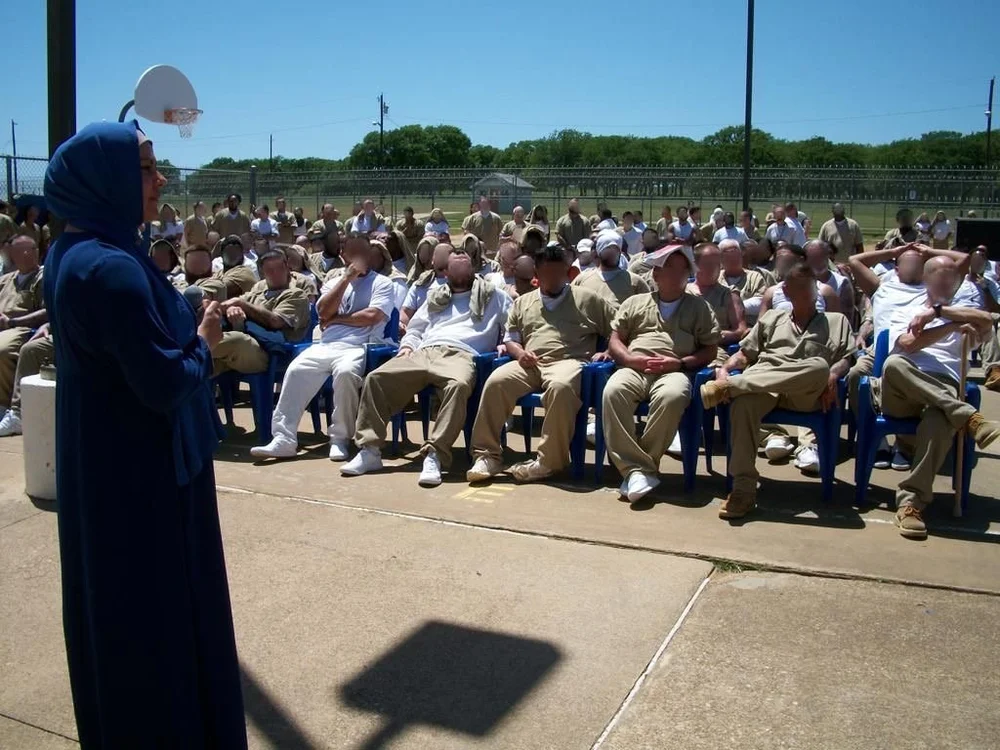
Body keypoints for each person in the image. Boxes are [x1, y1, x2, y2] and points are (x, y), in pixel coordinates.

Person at [43, 121, 246, 747]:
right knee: (158, 619)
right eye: (147, 168)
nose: (160, 180)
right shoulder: (112, 268)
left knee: (111, 612)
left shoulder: (72, 253)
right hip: (146, 473)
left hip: (98, 460)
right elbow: (163, 382)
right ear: (106, 180)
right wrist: (205, 344)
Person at [701, 262, 854, 519]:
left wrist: (834, 373)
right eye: (801, 290)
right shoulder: (772, 318)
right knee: (743, 405)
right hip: (766, 389)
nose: (808, 295)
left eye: (811, 289)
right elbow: (744, 353)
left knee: (819, 366)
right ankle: (743, 490)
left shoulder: (836, 321)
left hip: (806, 393)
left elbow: (848, 358)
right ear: (787, 291)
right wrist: (724, 369)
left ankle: (732, 388)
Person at [344, 253, 512, 485]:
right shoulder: (436, 296)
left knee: (458, 386)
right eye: (455, 267)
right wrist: (407, 347)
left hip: (461, 354)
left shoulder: (494, 296)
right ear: (446, 274)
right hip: (424, 351)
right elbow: (415, 328)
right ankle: (370, 450)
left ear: (473, 271)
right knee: (376, 378)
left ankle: (435, 455)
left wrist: (507, 342)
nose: (462, 275)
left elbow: (513, 324)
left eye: (466, 268)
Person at [467, 243, 615, 483]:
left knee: (560, 388)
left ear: (567, 274)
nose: (553, 279)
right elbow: (510, 338)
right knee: (496, 382)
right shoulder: (524, 302)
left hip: (569, 361)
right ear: (537, 274)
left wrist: (608, 350)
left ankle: (549, 461)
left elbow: (619, 329)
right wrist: (518, 353)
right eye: (547, 273)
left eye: (558, 273)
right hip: (531, 362)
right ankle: (488, 455)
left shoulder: (588, 299)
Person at [882, 257, 999, 539]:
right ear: (926, 278)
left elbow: (989, 321)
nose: (946, 281)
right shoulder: (907, 307)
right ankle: (967, 416)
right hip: (904, 386)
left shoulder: (965, 311)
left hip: (944, 385)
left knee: (939, 420)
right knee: (893, 365)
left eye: (951, 276)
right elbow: (907, 344)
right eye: (938, 274)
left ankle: (911, 504)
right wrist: (948, 327)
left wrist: (938, 313)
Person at [251, 235, 394, 461]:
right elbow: (323, 312)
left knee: (346, 373)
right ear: (343, 255)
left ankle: (339, 439)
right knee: (296, 369)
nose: (358, 257)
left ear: (370, 255)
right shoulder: (333, 282)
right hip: (327, 344)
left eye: (363, 252)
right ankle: (284, 438)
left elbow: (372, 315)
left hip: (360, 345)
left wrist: (338, 319)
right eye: (352, 252)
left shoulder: (383, 283)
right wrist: (346, 280)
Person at [603, 244, 720, 502]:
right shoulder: (635, 303)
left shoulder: (698, 308)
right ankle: (639, 470)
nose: (677, 275)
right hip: (635, 367)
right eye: (670, 269)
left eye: (682, 270)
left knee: (673, 395)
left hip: (674, 369)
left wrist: (679, 363)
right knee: (613, 391)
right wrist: (630, 359)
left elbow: (710, 350)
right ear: (655, 274)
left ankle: (637, 469)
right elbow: (615, 340)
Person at [212, 248, 311, 376]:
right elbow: (232, 304)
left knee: (236, 340)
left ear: (287, 268)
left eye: (280, 268)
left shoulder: (296, 295)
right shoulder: (259, 290)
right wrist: (232, 308)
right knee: (205, 364)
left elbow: (275, 322)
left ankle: (192, 345)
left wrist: (241, 305)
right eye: (270, 270)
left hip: (274, 353)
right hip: (248, 347)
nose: (275, 273)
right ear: (262, 273)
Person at [0, 235, 47, 414]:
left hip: (21, 327)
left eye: (31, 249)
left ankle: (3, 404)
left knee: (2, 349)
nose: (27, 253)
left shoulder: (42, 277)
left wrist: (12, 321)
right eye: (21, 250)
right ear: (12, 254)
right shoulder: (6, 279)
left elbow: (46, 312)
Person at [688, 243, 746, 357]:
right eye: (708, 264)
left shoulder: (728, 294)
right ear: (695, 265)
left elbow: (741, 330)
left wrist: (712, 337)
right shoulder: (683, 291)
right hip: (682, 348)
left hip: (715, 351)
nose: (713, 269)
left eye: (717, 264)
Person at [572, 231, 649, 306]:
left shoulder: (635, 282)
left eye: (616, 249)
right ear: (599, 251)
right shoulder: (582, 279)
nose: (612, 252)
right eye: (608, 248)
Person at [402, 242, 453, 325]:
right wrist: (403, 324)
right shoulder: (420, 285)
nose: (442, 257)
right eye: (438, 254)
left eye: (446, 254)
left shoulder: (459, 285)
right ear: (432, 260)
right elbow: (406, 312)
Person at [719, 239, 769, 324]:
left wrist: (729, 309)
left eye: (736, 253)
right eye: (728, 254)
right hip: (722, 330)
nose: (733, 257)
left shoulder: (755, 277)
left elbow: (761, 303)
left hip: (750, 329)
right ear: (720, 258)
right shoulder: (715, 277)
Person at [805, 239, 854, 325]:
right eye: (813, 258)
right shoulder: (798, 282)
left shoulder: (841, 283)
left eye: (821, 257)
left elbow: (846, 319)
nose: (818, 262)